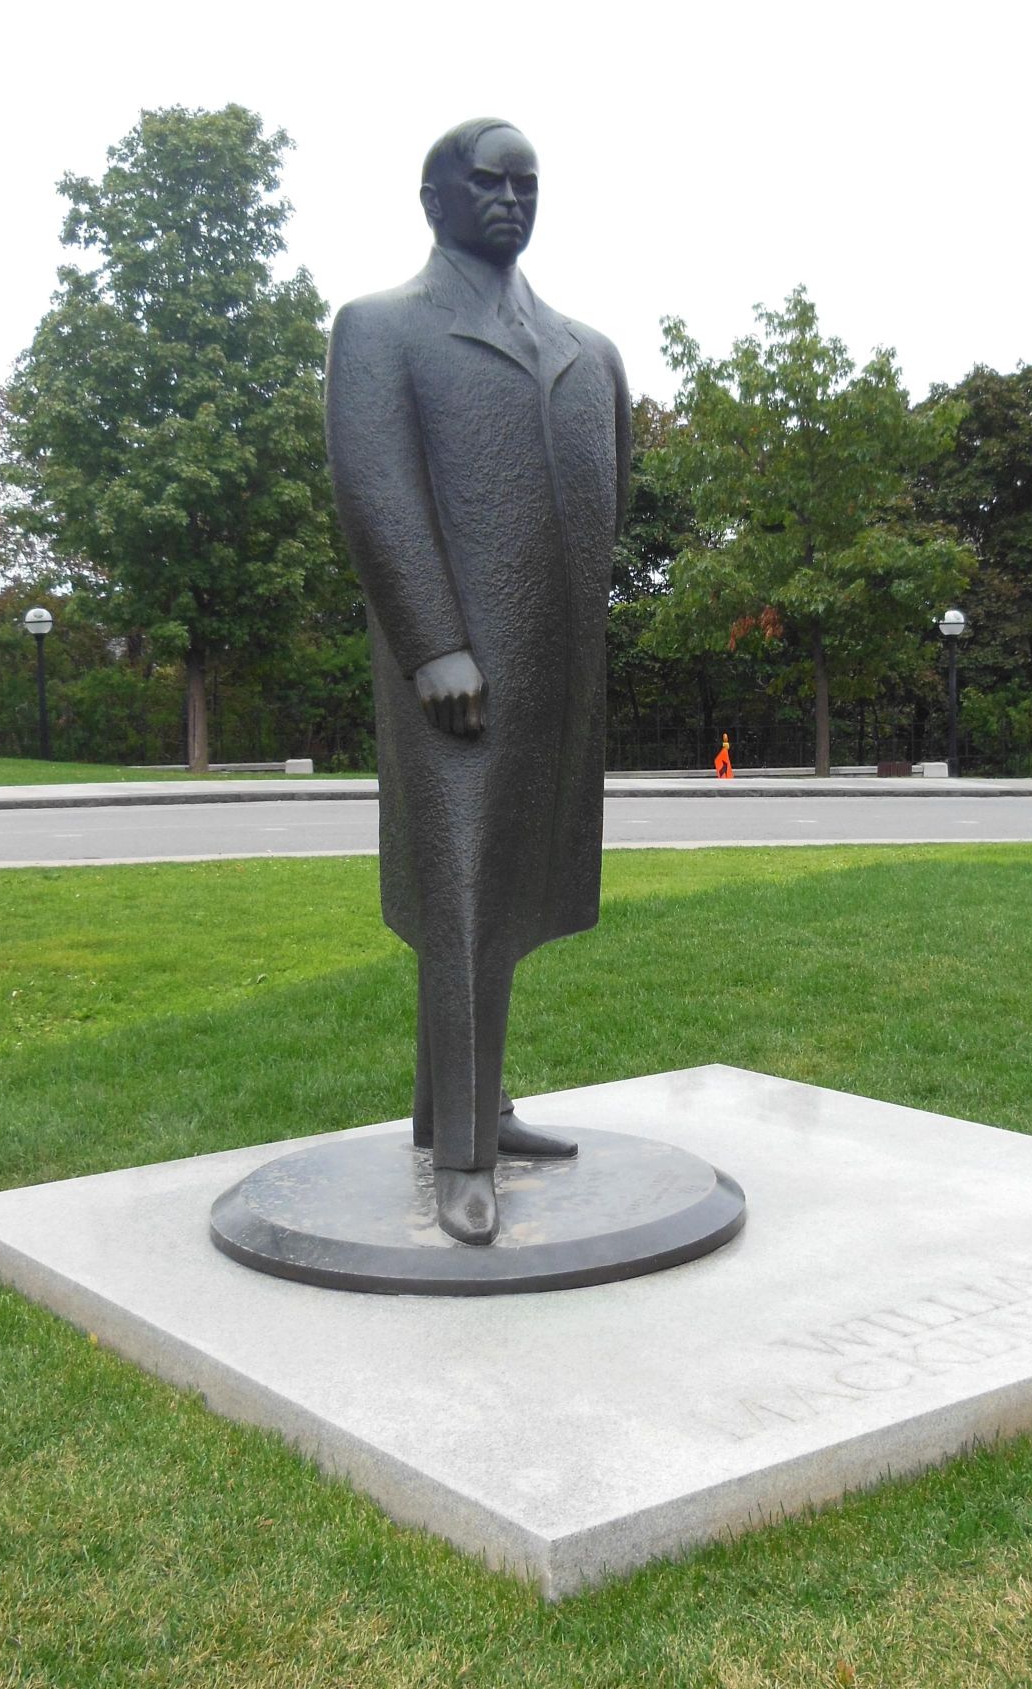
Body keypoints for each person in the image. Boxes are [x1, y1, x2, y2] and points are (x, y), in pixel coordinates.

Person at [325, 120, 631, 1246]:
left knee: (511, 888)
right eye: (485, 182)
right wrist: (431, 643)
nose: (509, 199)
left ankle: (457, 1104)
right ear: (434, 198)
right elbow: (376, 491)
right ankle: (461, 1154)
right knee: (459, 892)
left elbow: (614, 498)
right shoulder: (384, 330)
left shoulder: (586, 349)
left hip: (554, 664)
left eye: (527, 184)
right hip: (456, 669)